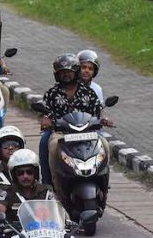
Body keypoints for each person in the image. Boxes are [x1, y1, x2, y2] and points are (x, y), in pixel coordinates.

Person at [37, 53, 104, 185]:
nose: (66, 75)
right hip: (61, 132)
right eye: (62, 72)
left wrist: (103, 119)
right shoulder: (51, 93)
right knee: (46, 142)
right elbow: (45, 111)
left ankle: (102, 178)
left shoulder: (88, 92)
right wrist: (45, 119)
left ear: (76, 72)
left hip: (86, 132)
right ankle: (47, 182)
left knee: (104, 145)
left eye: (69, 72)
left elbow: (97, 111)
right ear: (57, 74)